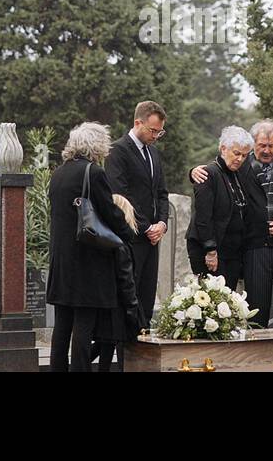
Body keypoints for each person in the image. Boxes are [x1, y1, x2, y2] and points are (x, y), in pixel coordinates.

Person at [191, 119, 273, 327]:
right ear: (253, 143)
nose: (266, 150)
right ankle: (259, 357)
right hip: (255, 247)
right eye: (261, 145)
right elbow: (216, 171)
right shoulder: (241, 164)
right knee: (255, 314)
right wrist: (193, 172)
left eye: (271, 146)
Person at [47, 122, 130, 372]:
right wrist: (129, 232)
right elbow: (109, 212)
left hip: (62, 260)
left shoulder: (58, 173)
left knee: (61, 329)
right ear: (97, 145)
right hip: (87, 262)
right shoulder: (93, 173)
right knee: (83, 328)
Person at [106, 101, 170, 327]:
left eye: (159, 132)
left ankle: (143, 349)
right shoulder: (118, 151)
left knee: (146, 297)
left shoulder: (153, 153)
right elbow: (120, 195)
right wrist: (146, 227)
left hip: (153, 237)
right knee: (129, 299)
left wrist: (162, 223)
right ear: (137, 123)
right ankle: (127, 355)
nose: (156, 136)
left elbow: (162, 193)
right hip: (132, 236)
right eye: (153, 131)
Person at [187, 126, 251, 291]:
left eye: (244, 155)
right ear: (223, 148)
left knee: (228, 301)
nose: (240, 159)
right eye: (236, 153)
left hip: (232, 250)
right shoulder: (208, 173)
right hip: (210, 250)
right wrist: (210, 250)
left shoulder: (237, 174)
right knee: (211, 301)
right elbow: (203, 216)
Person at [93, 194, 142, 372]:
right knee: (116, 345)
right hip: (119, 307)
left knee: (104, 345)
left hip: (103, 303)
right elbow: (126, 280)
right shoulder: (121, 245)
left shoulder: (101, 242)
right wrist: (133, 309)